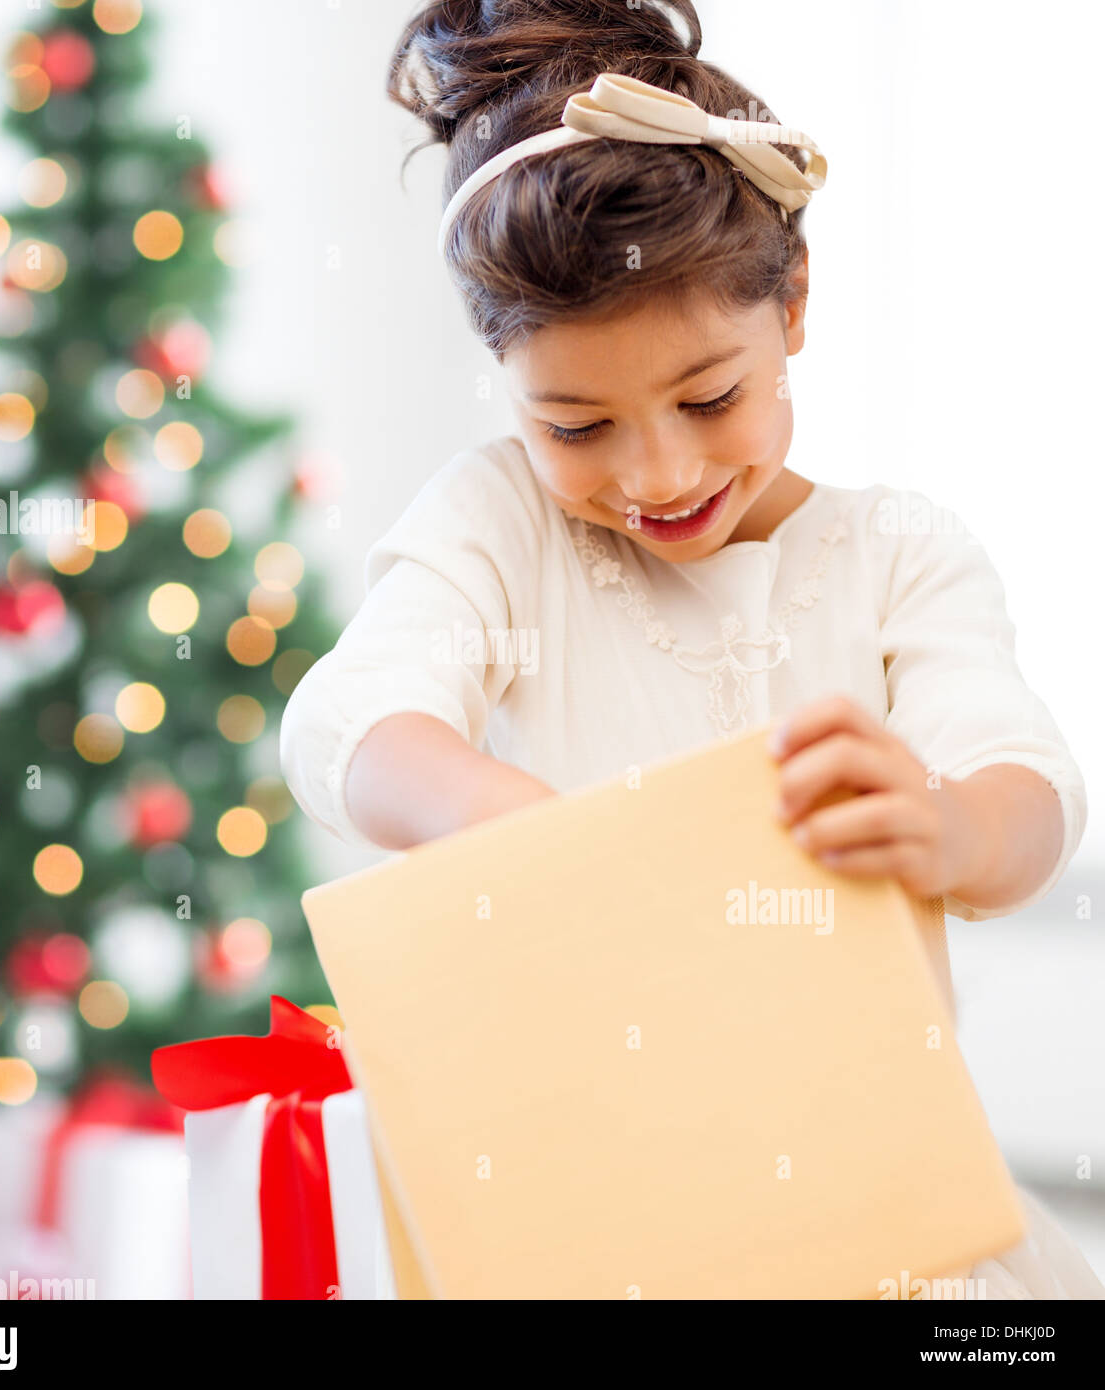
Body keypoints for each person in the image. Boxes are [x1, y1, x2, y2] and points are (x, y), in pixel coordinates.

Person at [279, 0, 1102, 1299]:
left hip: (871, 1226)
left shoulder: (895, 557)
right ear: (505, 387)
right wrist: (544, 837)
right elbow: (347, 727)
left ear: (795, 303)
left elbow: (1032, 793)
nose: (656, 473)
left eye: (709, 397)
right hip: (592, 1222)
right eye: (574, 423)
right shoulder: (501, 527)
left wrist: (947, 826)